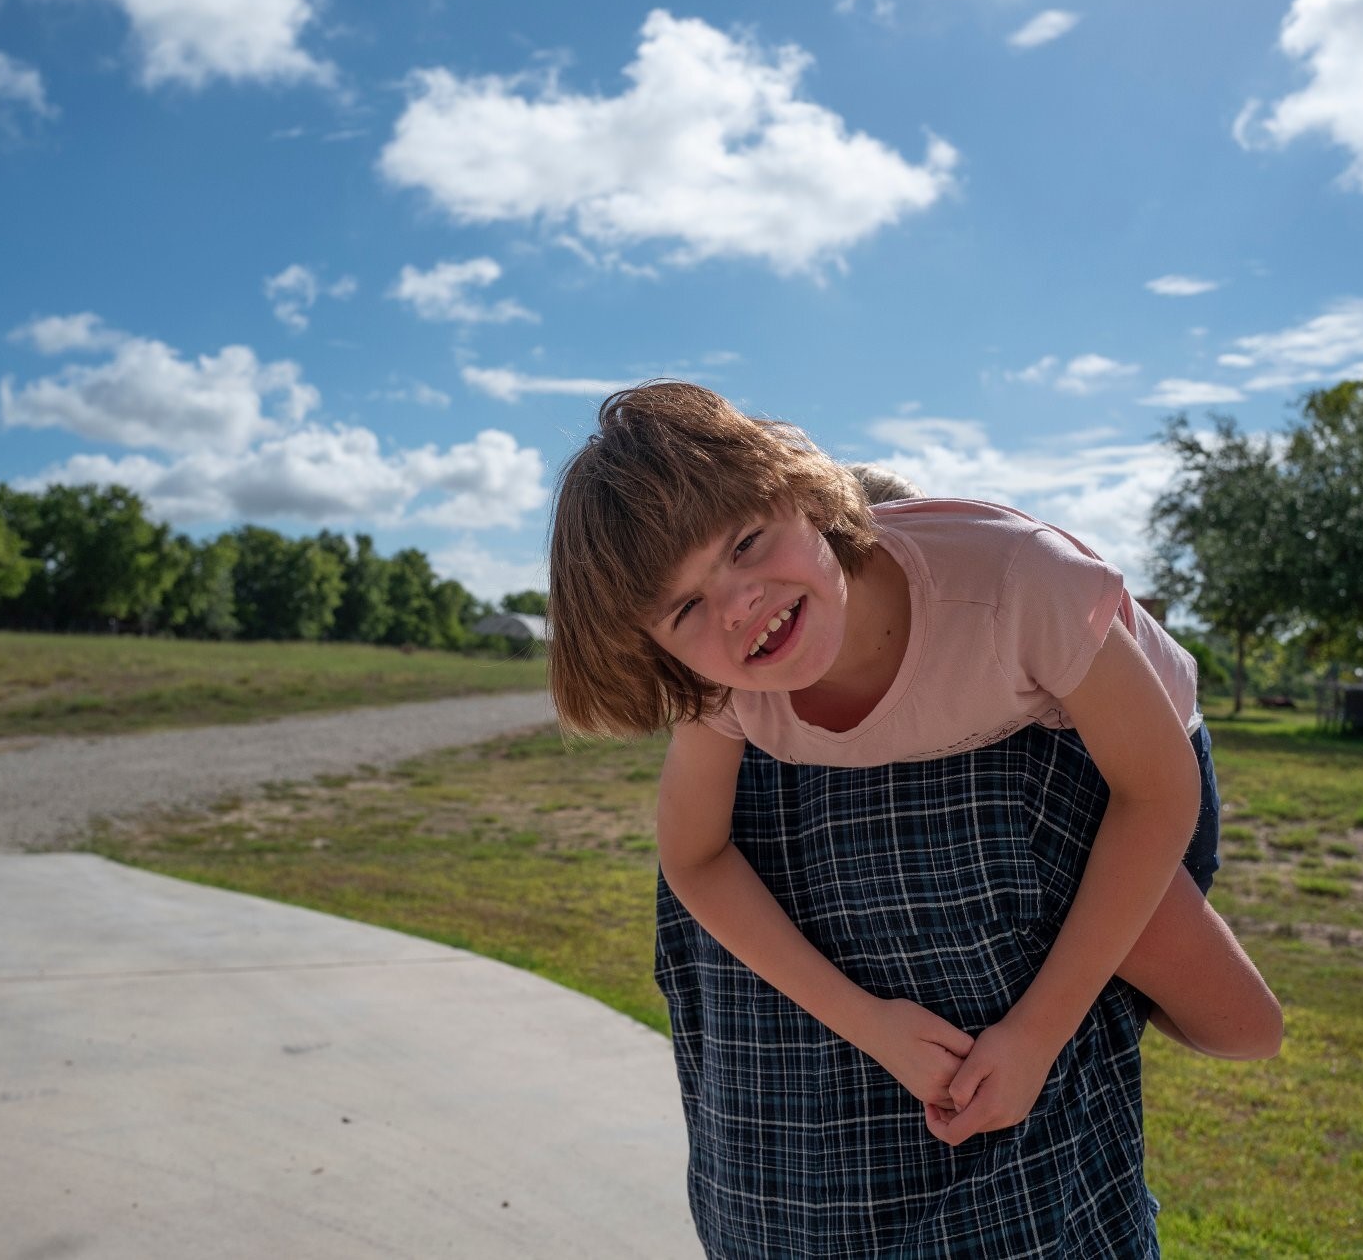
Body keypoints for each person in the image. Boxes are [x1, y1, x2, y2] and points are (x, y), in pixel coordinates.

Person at [548, 383, 1280, 1250]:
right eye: (686, 607)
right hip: (976, 698)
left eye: (746, 543)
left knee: (1182, 974)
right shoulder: (725, 686)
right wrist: (867, 1020)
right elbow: (694, 855)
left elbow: (1157, 793)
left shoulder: (1015, 581)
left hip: (1126, 746)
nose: (738, 603)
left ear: (806, 497)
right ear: (657, 647)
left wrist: (1037, 1032)